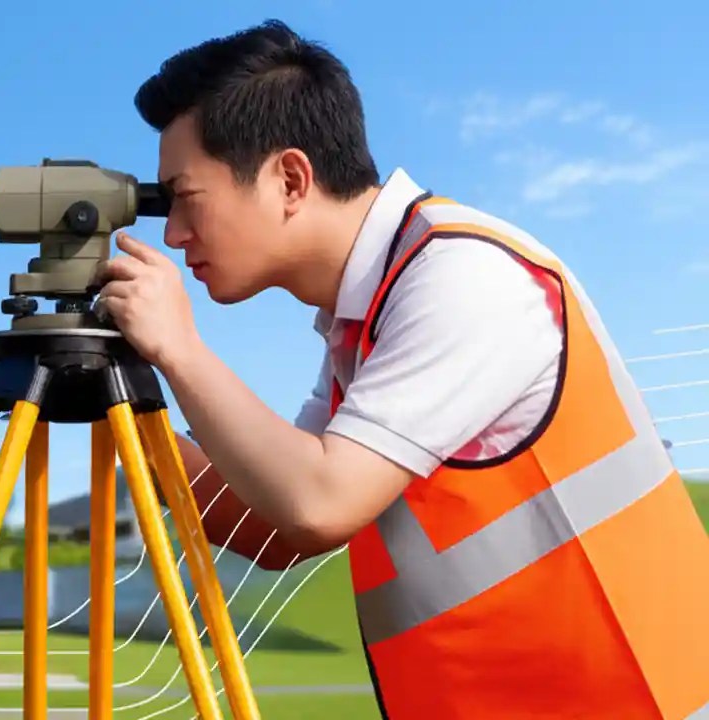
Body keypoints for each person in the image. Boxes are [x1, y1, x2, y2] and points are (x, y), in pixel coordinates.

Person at [95, 18, 709, 720]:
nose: (171, 234)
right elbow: (273, 527)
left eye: (184, 198)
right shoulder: (367, 322)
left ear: (289, 178)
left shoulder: (464, 276)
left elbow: (317, 503)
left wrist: (179, 350)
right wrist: (119, 414)